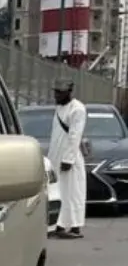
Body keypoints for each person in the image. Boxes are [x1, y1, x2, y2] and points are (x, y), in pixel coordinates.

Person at [48, 77, 87, 239]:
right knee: (57, 191)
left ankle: (74, 226)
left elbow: (74, 136)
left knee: (72, 192)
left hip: (68, 158)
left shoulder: (77, 109)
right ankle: (59, 225)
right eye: (56, 92)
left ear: (69, 93)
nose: (57, 96)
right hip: (55, 155)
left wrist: (68, 159)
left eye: (60, 93)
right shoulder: (59, 109)